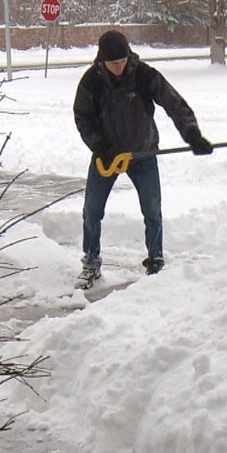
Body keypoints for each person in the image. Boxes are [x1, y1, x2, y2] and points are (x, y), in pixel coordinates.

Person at [72, 29, 213, 288]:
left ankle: (156, 260)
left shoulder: (143, 75)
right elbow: (83, 118)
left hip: (143, 153)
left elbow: (174, 104)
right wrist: (101, 146)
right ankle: (91, 262)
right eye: (114, 63)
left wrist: (192, 134)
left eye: (123, 61)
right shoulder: (92, 81)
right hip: (107, 157)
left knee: (152, 210)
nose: (120, 67)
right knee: (92, 210)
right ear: (102, 61)